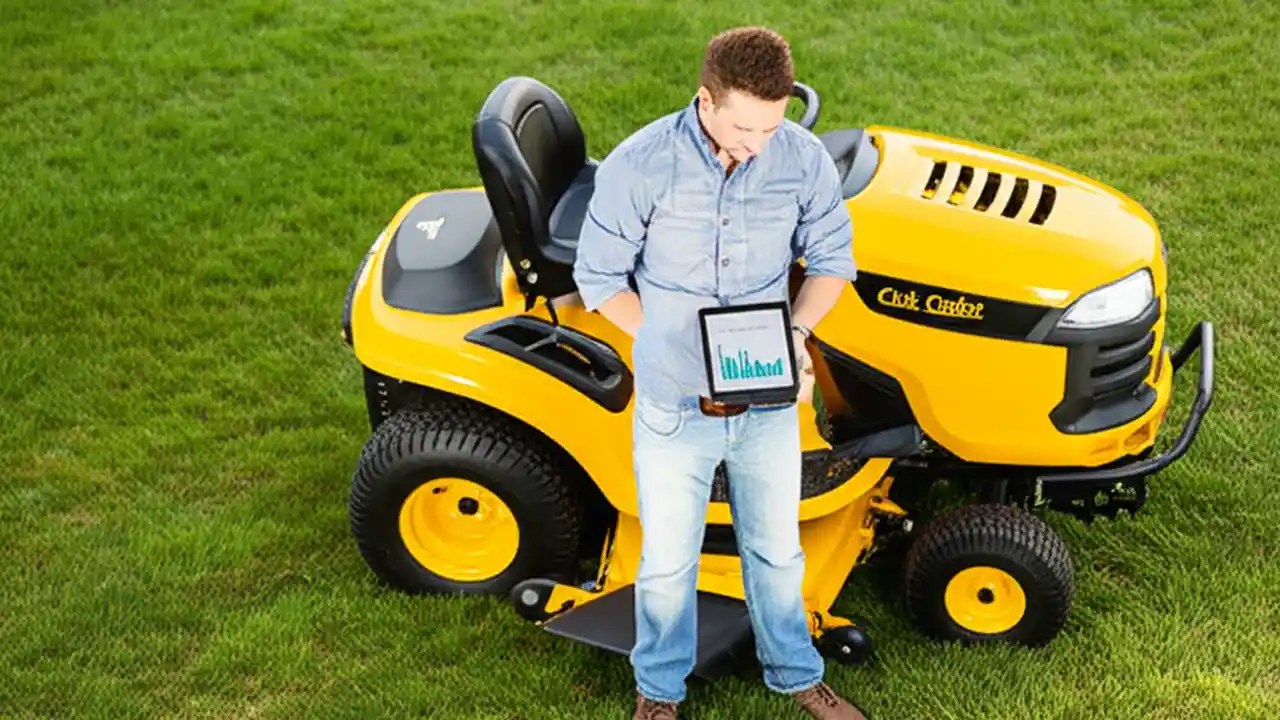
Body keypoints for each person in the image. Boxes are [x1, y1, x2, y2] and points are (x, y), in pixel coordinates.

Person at [572, 25, 866, 720]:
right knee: (668, 562)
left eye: (771, 127)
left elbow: (832, 260)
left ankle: (796, 676)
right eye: (743, 128)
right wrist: (667, 339)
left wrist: (796, 332)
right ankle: (658, 693)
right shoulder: (639, 165)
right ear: (706, 101)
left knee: (777, 554)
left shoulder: (801, 160)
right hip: (675, 405)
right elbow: (599, 277)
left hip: (766, 405)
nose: (757, 145)